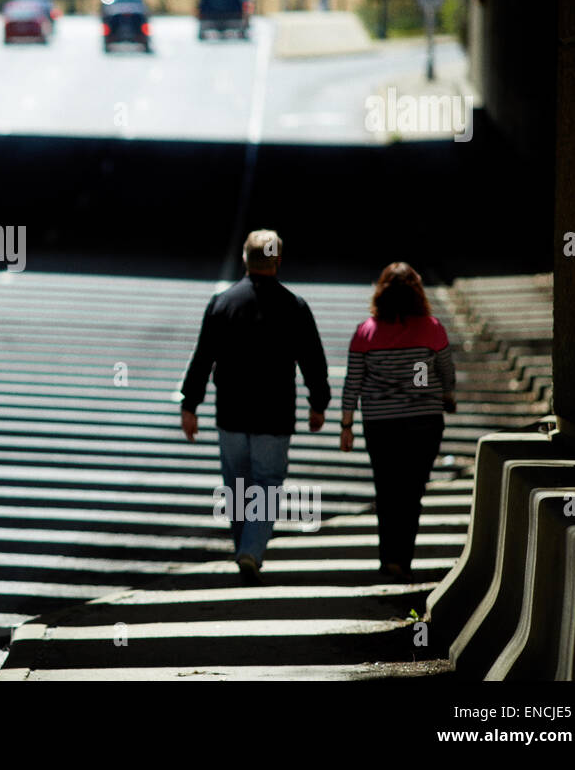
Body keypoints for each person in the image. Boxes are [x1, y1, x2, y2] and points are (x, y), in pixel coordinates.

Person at [180, 230, 331, 585]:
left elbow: (203, 358)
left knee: (237, 488)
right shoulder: (295, 307)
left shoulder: (222, 303)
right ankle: (251, 549)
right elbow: (313, 360)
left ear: (245, 260)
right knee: (267, 483)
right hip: (274, 416)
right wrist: (318, 403)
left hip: (230, 414)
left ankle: (245, 547)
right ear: (278, 261)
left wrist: (190, 405)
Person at [339, 262, 456, 583]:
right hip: (424, 423)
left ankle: (388, 558)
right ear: (418, 293)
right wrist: (447, 395)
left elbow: (353, 382)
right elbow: (447, 372)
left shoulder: (366, 332)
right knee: (411, 491)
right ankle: (402, 560)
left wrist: (346, 425)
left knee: (387, 491)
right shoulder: (433, 328)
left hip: (382, 425)